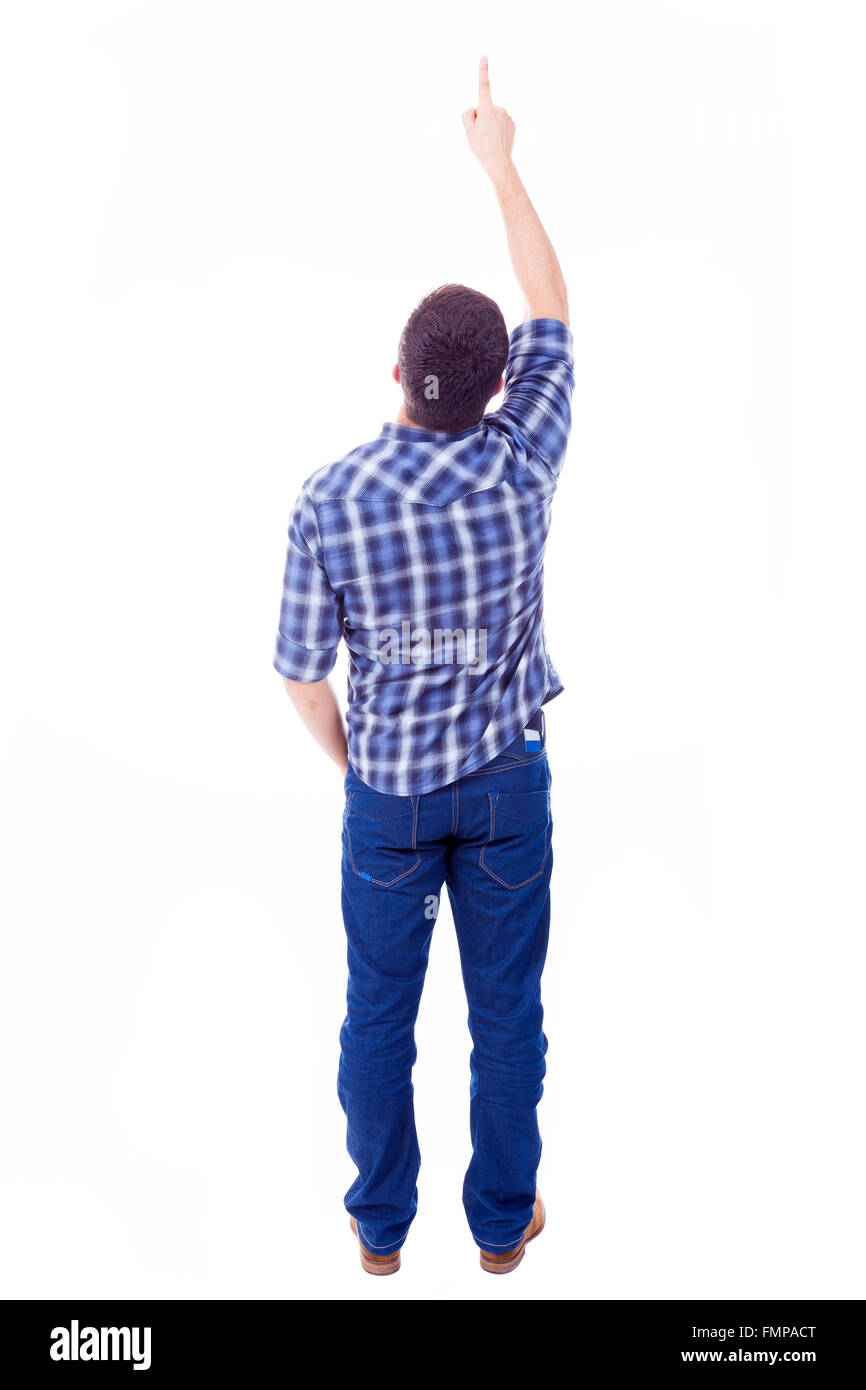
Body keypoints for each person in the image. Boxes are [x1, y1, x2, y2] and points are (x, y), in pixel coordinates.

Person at [273, 57, 573, 1275]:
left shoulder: (330, 499)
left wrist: (361, 760)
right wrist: (498, 160)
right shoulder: (525, 456)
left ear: (395, 372)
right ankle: (502, 1229)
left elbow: (299, 674)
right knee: (506, 1018)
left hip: (386, 796)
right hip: (506, 783)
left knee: (375, 1017)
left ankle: (379, 1231)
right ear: (502, 386)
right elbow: (551, 298)